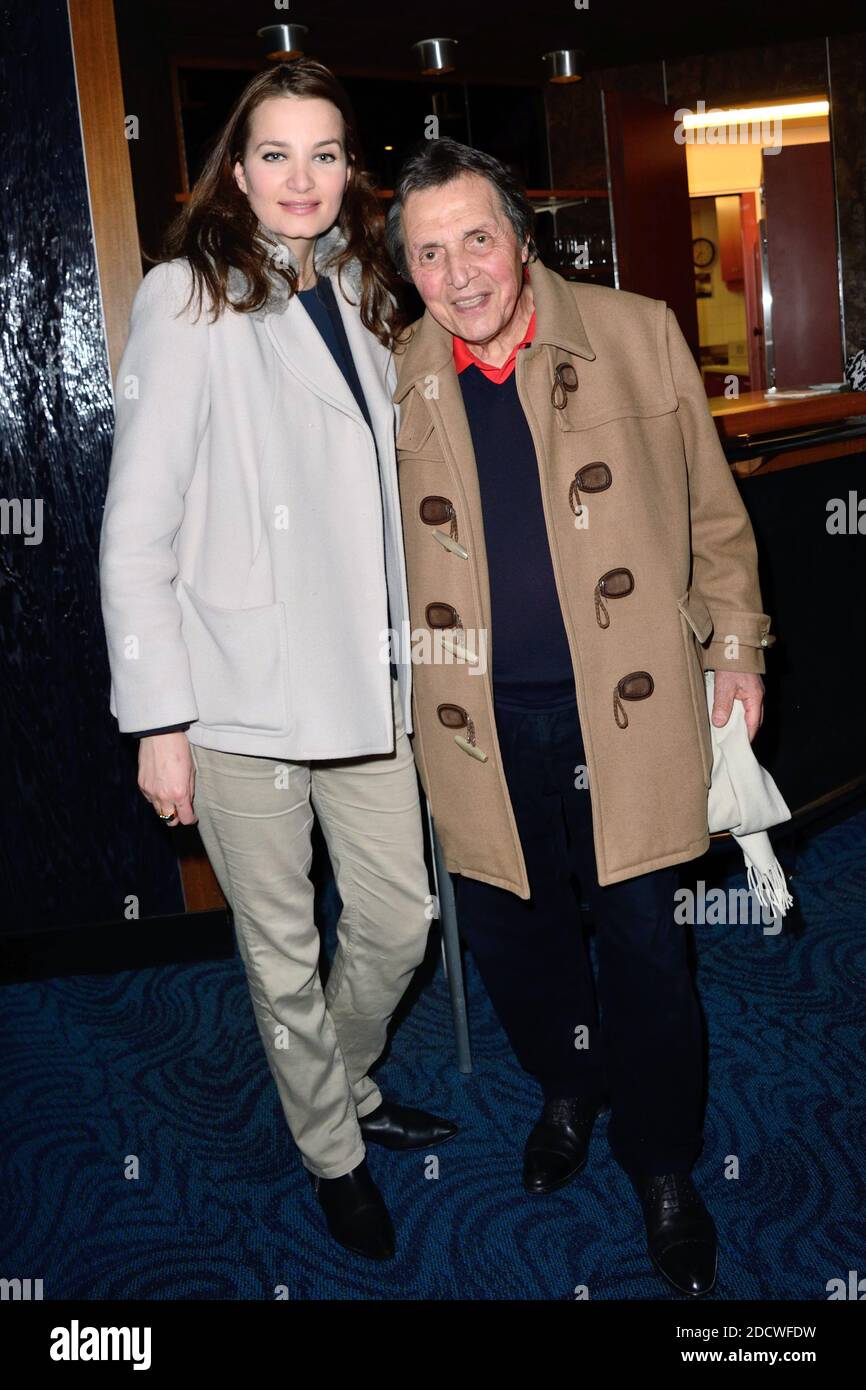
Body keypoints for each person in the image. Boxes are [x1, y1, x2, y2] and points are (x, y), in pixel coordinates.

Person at [385, 138, 774, 1297]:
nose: (457, 273)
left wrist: (738, 645)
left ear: (519, 237)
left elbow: (713, 516)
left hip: (631, 714)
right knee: (514, 934)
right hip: (477, 719)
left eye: (475, 239)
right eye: (426, 253)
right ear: (405, 270)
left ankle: (659, 1164)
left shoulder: (635, 330)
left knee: (649, 944)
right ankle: (567, 1085)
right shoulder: (395, 370)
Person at [99, 60, 458, 1264]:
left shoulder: (362, 287)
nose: (299, 180)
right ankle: (333, 1150)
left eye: (323, 154)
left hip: (364, 676)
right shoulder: (184, 296)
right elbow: (135, 526)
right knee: (281, 944)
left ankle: (333, 1084)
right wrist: (159, 718)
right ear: (234, 169)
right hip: (237, 686)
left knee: (401, 914)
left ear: (347, 166)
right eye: (274, 155)